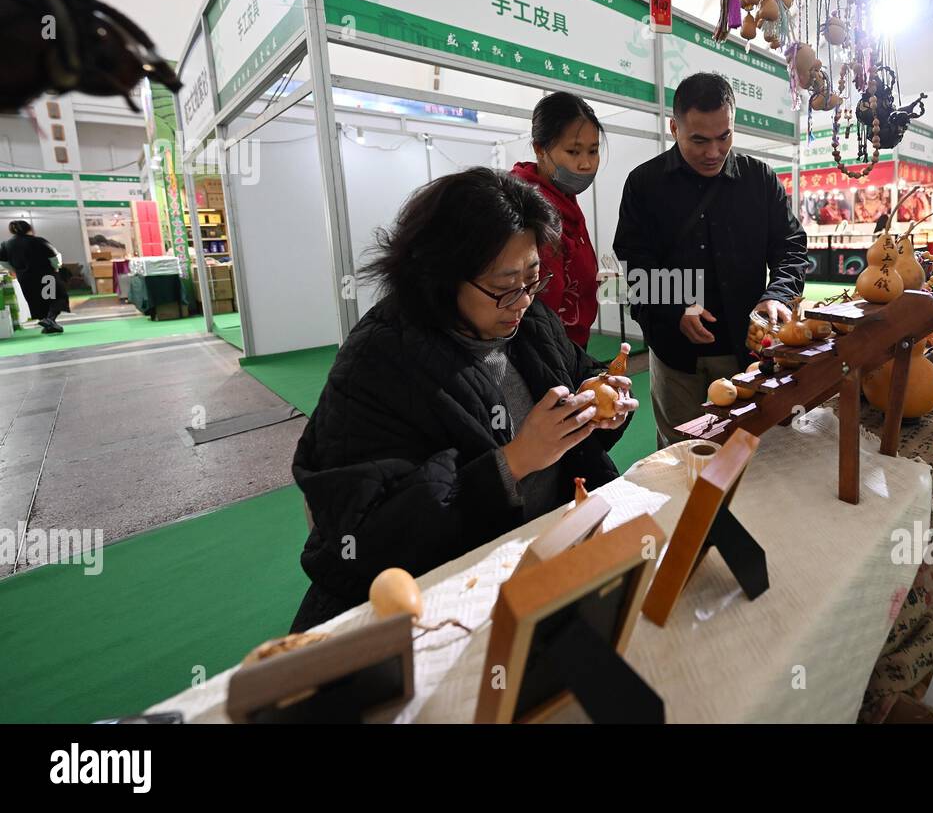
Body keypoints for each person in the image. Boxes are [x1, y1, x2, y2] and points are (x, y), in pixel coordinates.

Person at [289, 169, 637, 631]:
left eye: (534, 278)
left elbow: (575, 375)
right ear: (441, 275)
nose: (522, 300)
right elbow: (369, 532)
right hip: (430, 608)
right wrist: (511, 464)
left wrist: (599, 401)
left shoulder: (530, 321)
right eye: (504, 285)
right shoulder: (377, 363)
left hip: (534, 567)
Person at [613, 72, 807, 448]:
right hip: (675, 356)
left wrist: (778, 296)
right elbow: (636, 265)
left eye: (725, 137)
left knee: (747, 450)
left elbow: (791, 246)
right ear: (674, 128)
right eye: (699, 140)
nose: (714, 152)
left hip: (746, 349)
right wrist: (675, 307)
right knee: (681, 455)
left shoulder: (759, 180)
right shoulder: (644, 184)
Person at [509, 92, 602, 348]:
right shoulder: (523, 204)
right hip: (538, 347)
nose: (586, 164)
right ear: (540, 149)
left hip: (569, 344)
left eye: (593, 151)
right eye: (573, 151)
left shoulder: (565, 198)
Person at [0, 220, 68, 333]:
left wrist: (14, 270)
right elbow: (54, 256)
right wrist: (57, 266)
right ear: (29, 229)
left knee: (36, 301)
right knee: (57, 297)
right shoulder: (38, 241)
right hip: (46, 276)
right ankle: (50, 320)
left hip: (25, 278)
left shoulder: (5, 245)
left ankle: (49, 325)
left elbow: (2, 261)